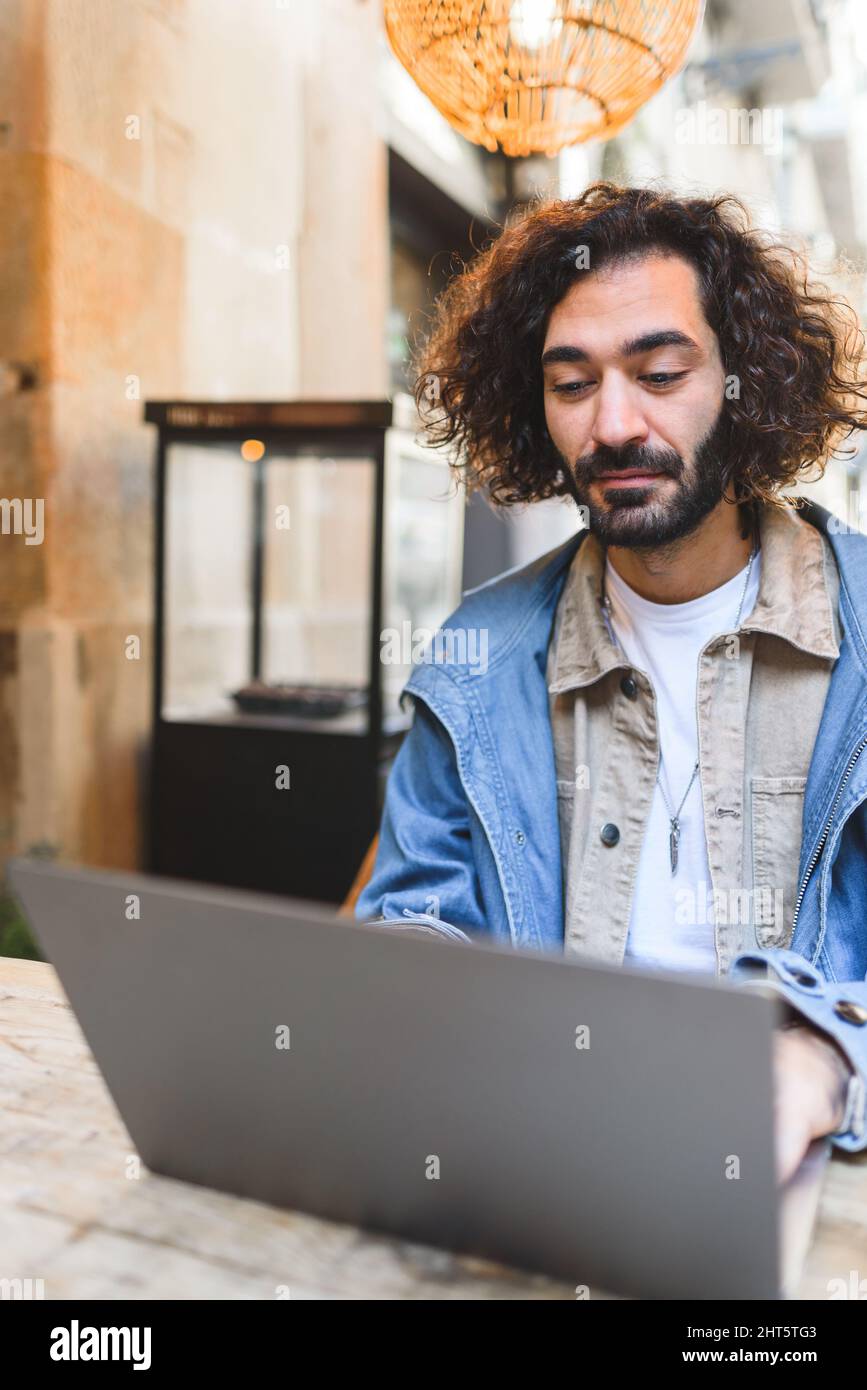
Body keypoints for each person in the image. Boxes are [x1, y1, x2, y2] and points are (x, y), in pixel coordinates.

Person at [357, 183, 867, 1183]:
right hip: (543, 1168)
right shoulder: (479, 659)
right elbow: (410, 922)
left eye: (660, 371)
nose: (613, 423)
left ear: (742, 382)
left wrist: (826, 1057)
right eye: (572, 383)